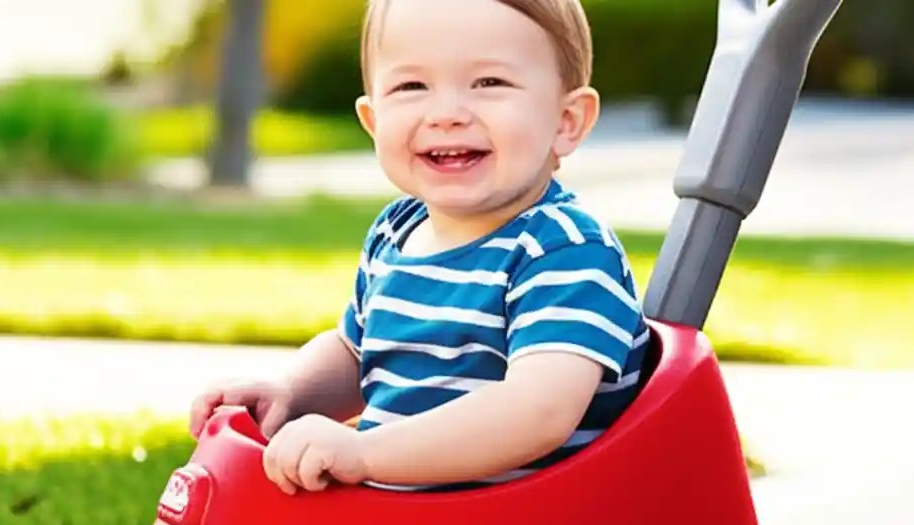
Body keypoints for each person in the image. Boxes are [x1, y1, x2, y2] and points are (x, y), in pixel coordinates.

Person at [190, 0, 651, 495]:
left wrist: (367, 453)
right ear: (372, 120)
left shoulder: (564, 252)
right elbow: (357, 350)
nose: (447, 114)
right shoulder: (396, 230)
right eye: (412, 87)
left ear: (566, 121)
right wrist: (290, 396)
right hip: (414, 522)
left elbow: (539, 410)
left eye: (489, 84)